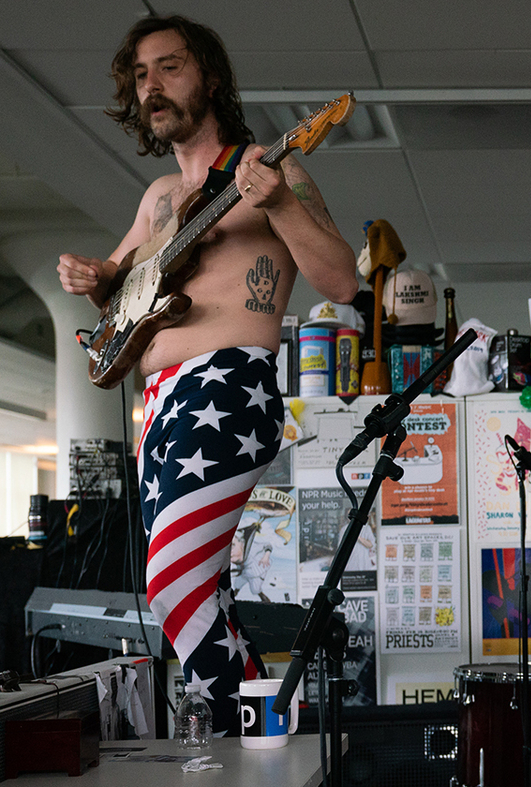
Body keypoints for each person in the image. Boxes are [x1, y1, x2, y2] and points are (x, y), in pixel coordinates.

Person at [55, 15, 356, 736]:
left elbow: (343, 278)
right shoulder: (158, 197)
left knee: (171, 582)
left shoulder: (269, 169)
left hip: (227, 387)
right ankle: (264, 735)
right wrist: (97, 277)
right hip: (159, 406)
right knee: (202, 593)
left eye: (170, 66)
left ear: (210, 77)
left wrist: (279, 201)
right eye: (140, 75)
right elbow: (125, 294)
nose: (152, 85)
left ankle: (247, 729)